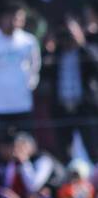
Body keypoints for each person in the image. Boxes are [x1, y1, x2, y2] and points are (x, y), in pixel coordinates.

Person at [0, 0, 41, 143]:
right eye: (11, 17)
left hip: (22, 104)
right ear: (2, 17)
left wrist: (29, 85)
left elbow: (35, 67)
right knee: (1, 147)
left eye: (19, 18)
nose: (15, 21)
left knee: (25, 144)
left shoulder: (29, 42)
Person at [42, 14, 98, 166]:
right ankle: (67, 186)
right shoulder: (55, 55)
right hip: (61, 109)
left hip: (85, 109)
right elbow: (42, 74)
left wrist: (81, 43)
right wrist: (49, 49)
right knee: (64, 152)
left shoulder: (87, 51)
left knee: (93, 149)